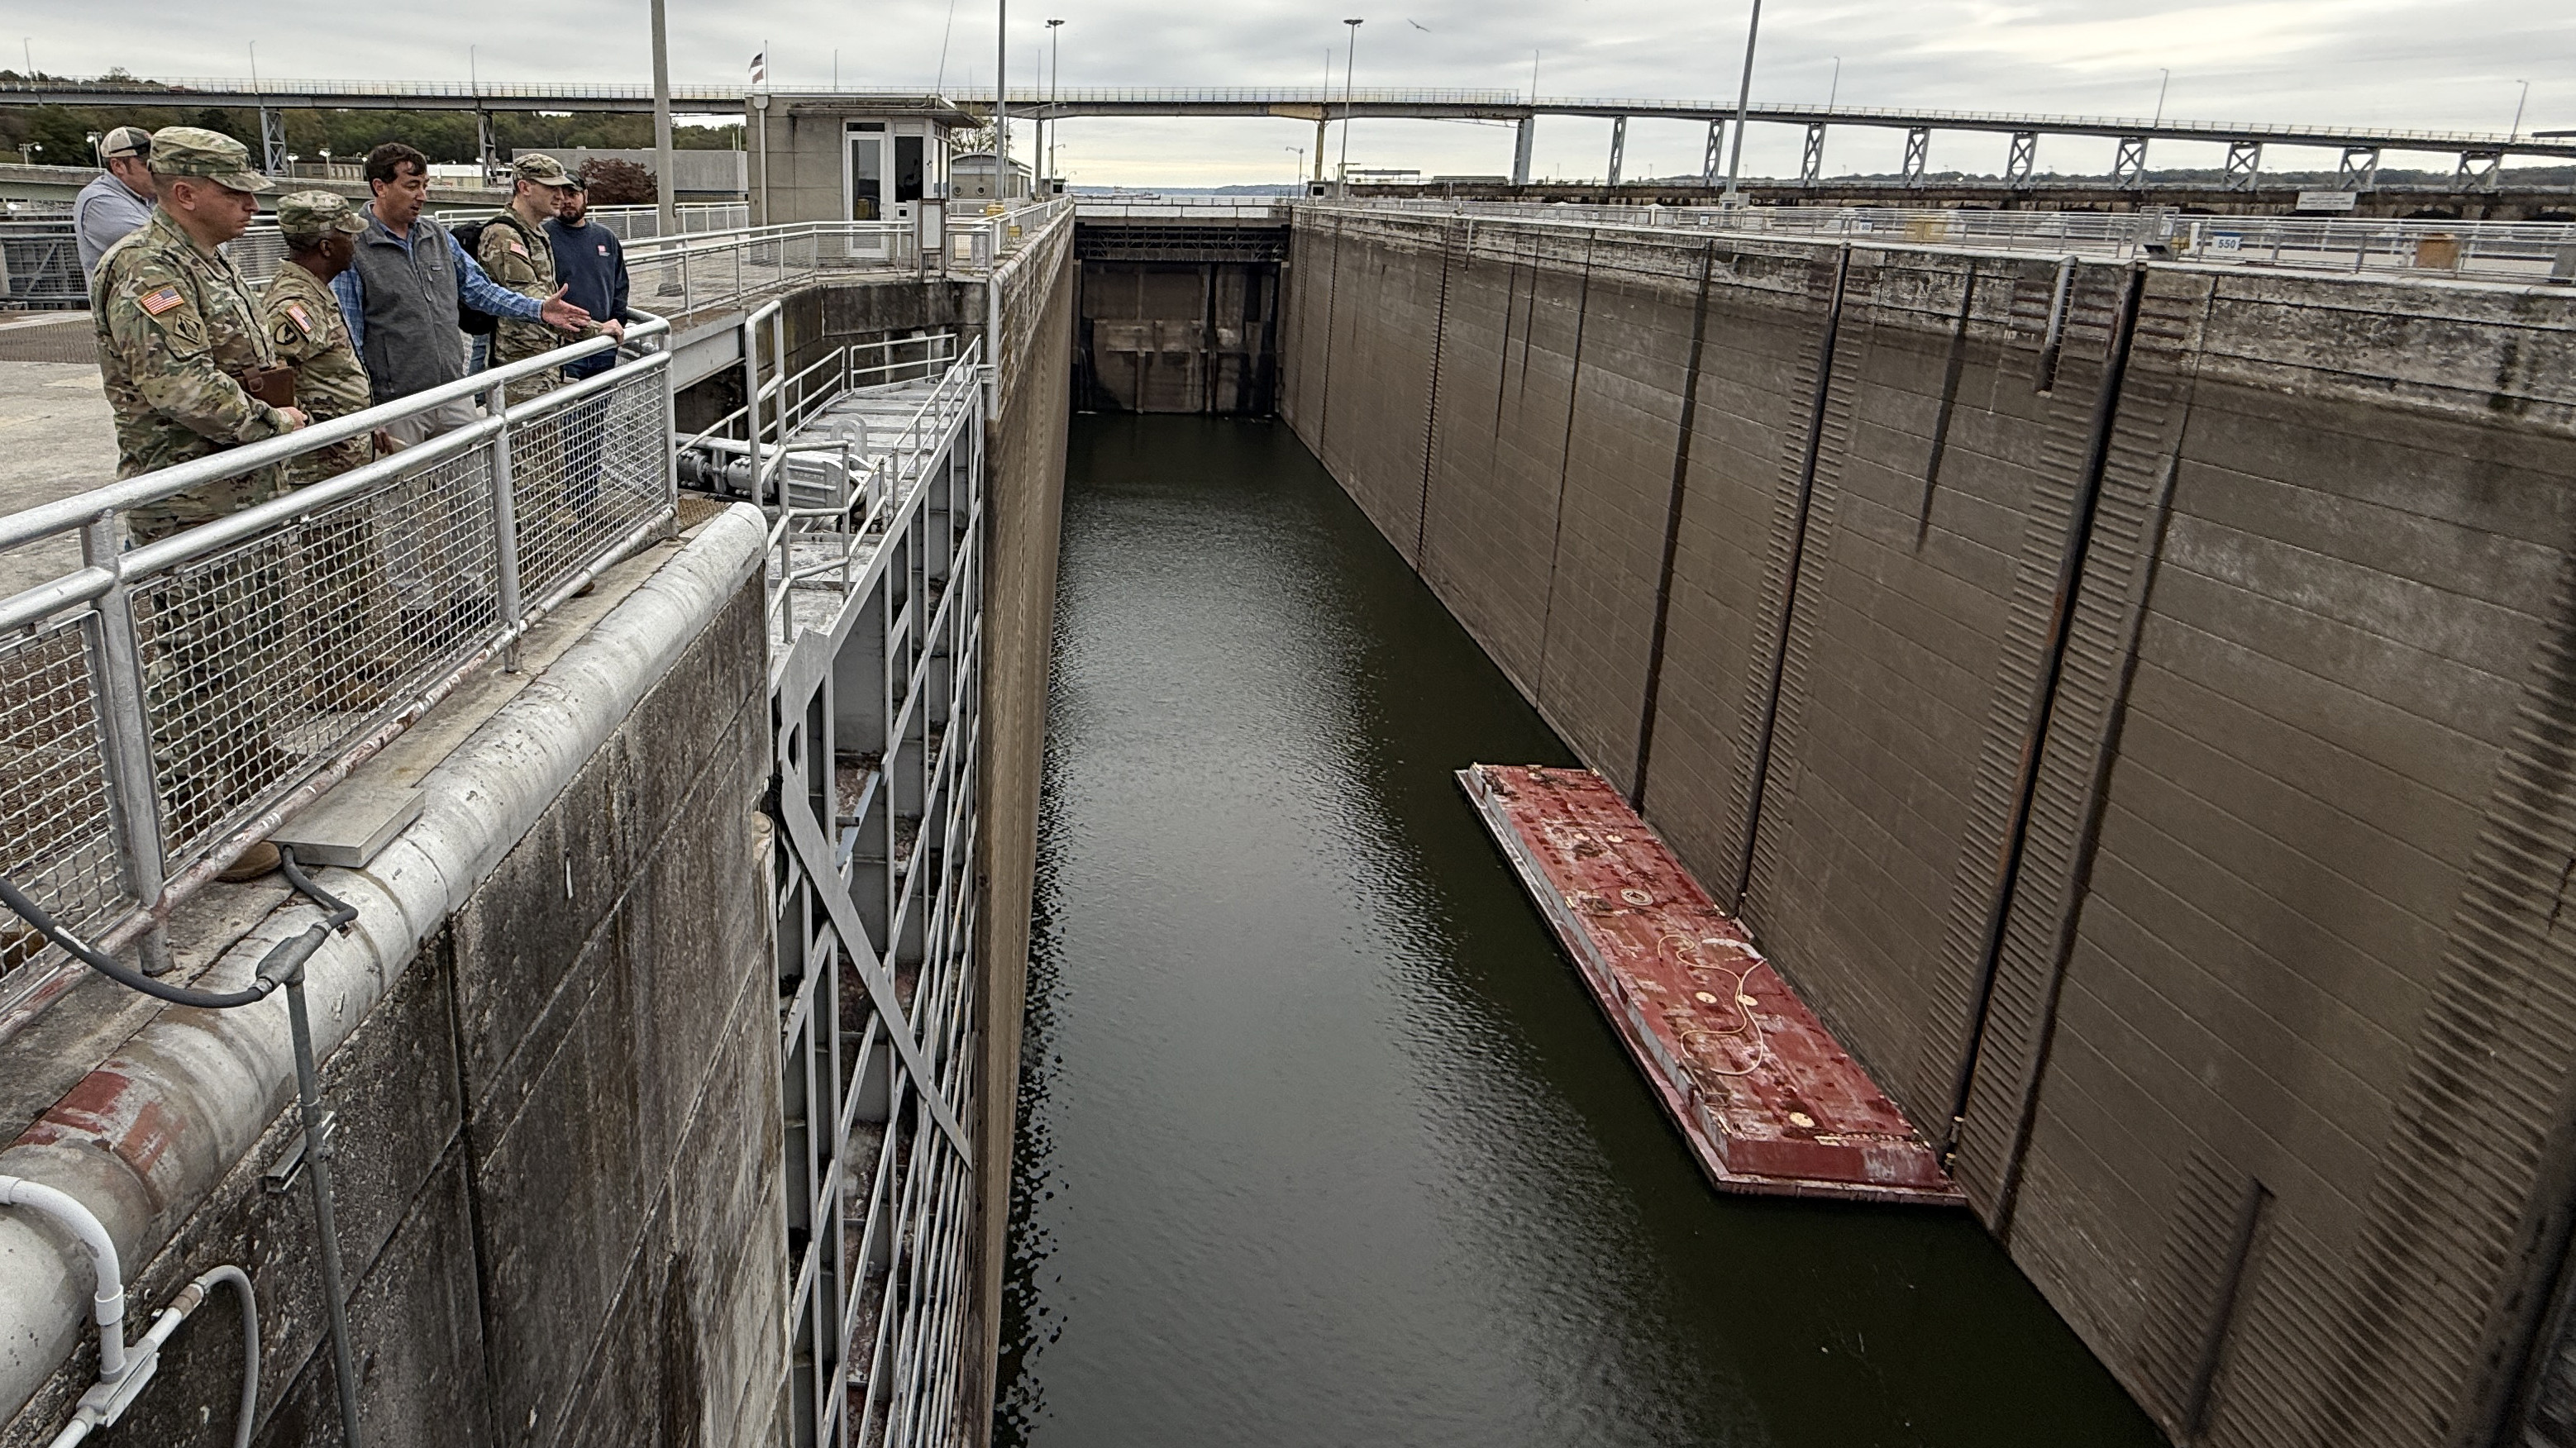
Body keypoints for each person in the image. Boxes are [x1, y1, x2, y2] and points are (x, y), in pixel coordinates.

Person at [90, 126, 312, 879]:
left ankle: (241, 758)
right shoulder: (146, 268)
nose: (252, 203)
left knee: (242, 640)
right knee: (195, 660)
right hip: (189, 499)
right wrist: (270, 421)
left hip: (236, 491)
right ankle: (194, 825)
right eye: (235, 190)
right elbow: (180, 385)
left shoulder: (209, 263)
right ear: (184, 192)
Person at [330, 142, 594, 447]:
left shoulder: (436, 236)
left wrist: (538, 310)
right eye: (412, 186)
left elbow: (480, 290)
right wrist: (365, 412)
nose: (422, 196)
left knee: (471, 485)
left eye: (425, 185)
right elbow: (350, 335)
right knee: (405, 490)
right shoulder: (356, 247)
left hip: (452, 392)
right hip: (397, 405)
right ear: (380, 187)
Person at [265, 190, 395, 712]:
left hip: (346, 451)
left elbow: (335, 372)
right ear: (324, 244)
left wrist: (365, 424)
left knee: (354, 564)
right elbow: (275, 380)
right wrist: (319, 429)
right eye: (347, 236)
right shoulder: (289, 301)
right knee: (331, 570)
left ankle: (353, 656)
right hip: (321, 462)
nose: (354, 244)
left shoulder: (319, 290)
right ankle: (333, 678)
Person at [476, 153, 620, 398]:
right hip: (520, 371)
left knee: (552, 435)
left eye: (564, 189)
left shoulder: (536, 234)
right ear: (525, 188)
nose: (561, 196)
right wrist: (598, 330)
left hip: (544, 362)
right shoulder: (503, 235)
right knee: (532, 436)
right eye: (551, 187)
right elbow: (535, 301)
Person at [546, 175, 629, 384]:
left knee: (598, 410)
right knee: (568, 413)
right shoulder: (543, 238)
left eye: (572, 194)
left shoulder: (606, 237)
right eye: (561, 195)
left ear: (585, 196)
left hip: (603, 341)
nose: (567, 200)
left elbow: (620, 286)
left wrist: (617, 324)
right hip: (566, 345)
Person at [74, 126, 157, 281]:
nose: (158, 171)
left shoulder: (150, 195)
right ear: (118, 166)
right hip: (128, 301)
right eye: (148, 164)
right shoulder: (99, 201)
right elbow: (163, 248)